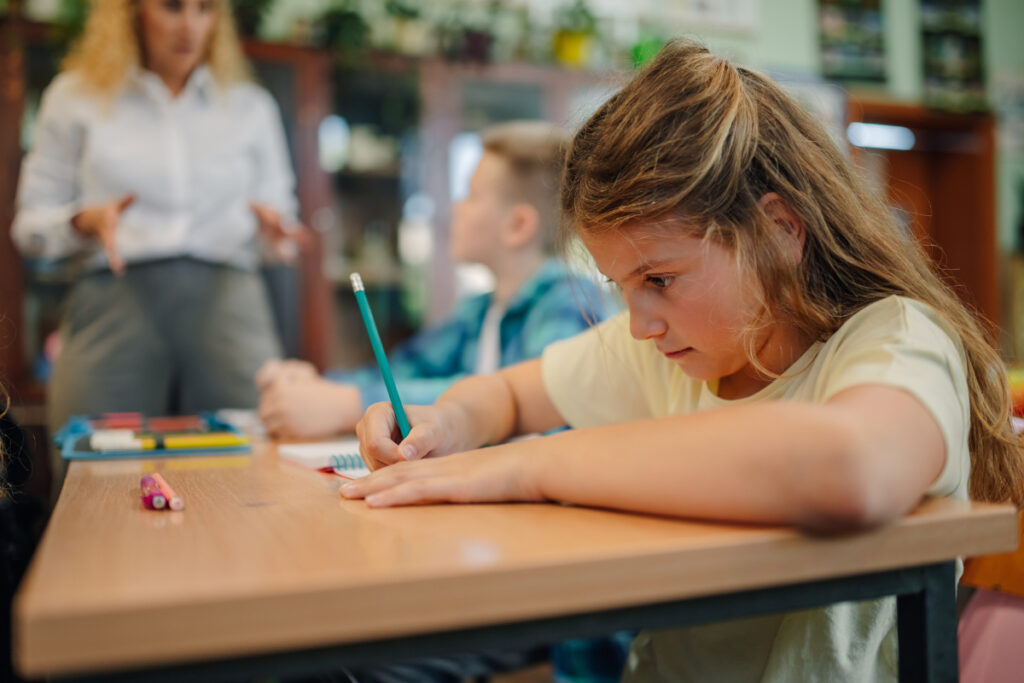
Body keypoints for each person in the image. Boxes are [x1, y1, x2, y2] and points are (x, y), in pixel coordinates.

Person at [342, 40, 1024, 682]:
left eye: (659, 279)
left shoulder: (898, 340)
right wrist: (447, 423)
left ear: (779, 231)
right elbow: (510, 397)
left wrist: (528, 464)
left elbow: (852, 467)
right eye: (623, 288)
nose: (639, 324)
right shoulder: (686, 349)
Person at [12, 0, 299, 485]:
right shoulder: (75, 97)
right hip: (114, 301)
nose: (189, 26)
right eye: (171, 7)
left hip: (229, 306)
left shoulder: (251, 107)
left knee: (256, 474)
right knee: (96, 476)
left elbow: (281, 231)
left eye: (205, 9)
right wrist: (83, 221)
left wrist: (276, 235)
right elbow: (30, 228)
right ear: (130, 12)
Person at [257, 120, 610, 440]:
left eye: (471, 195)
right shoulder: (478, 310)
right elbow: (403, 372)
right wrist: (311, 385)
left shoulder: (569, 303)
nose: (454, 207)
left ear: (518, 225)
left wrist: (347, 403)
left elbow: (532, 402)